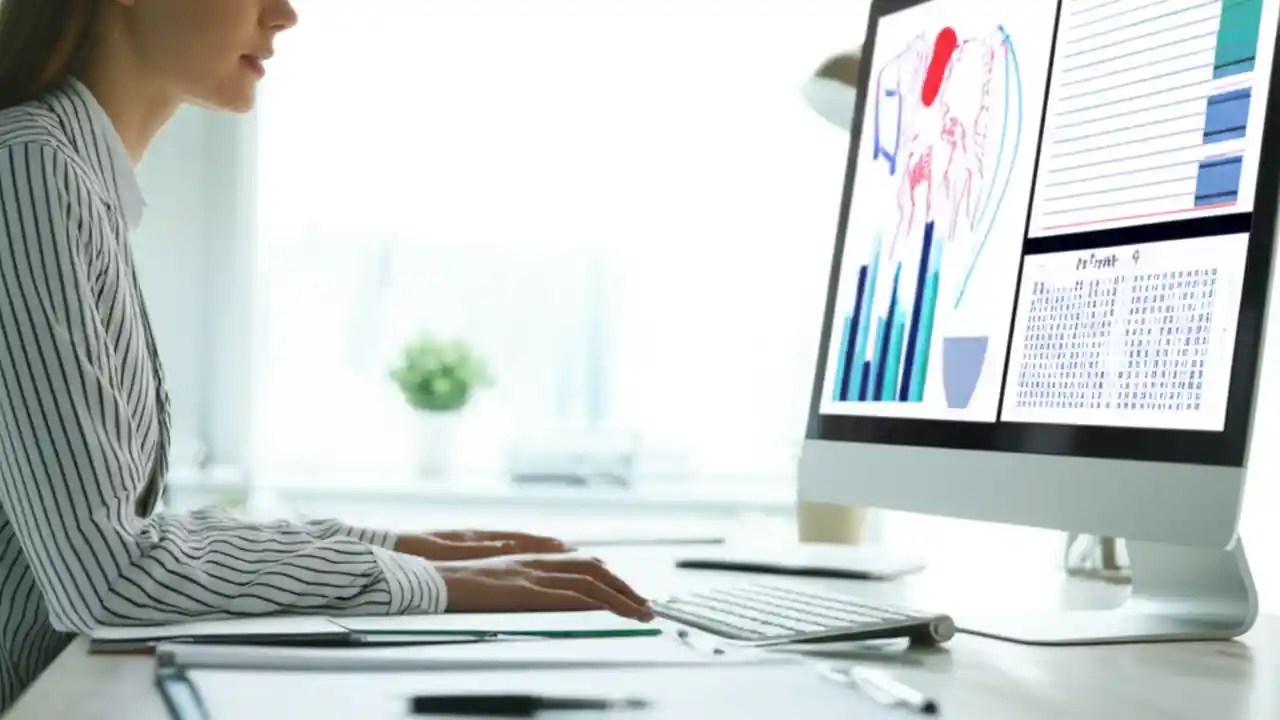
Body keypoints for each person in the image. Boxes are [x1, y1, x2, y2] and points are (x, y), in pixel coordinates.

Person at [0, 0, 653, 709]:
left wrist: (402, 545)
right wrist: (428, 583)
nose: (285, 14)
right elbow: (112, 576)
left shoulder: (70, 178)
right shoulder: (30, 170)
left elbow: (127, 538)